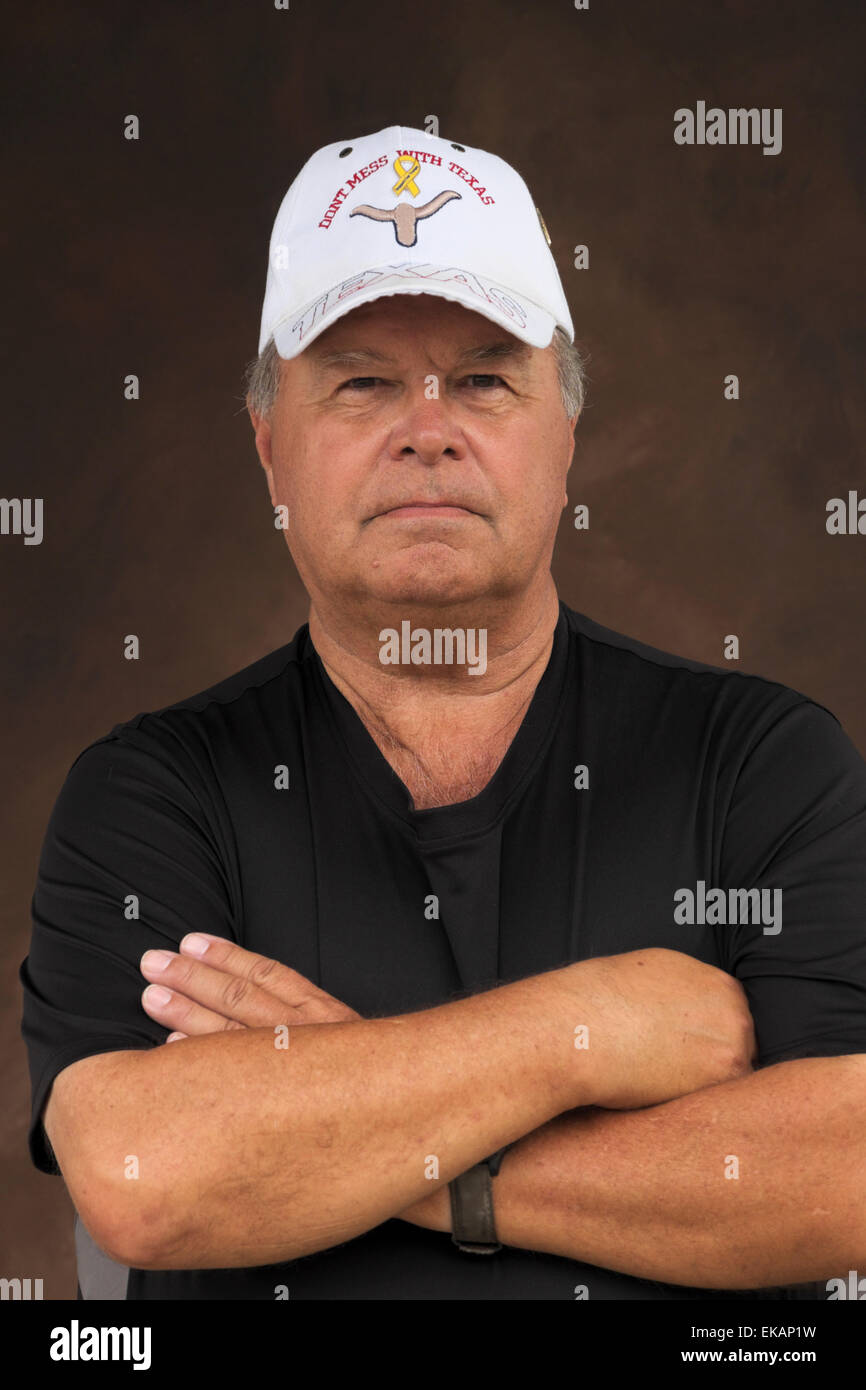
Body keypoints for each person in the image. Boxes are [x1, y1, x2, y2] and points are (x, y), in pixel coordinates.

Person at [20, 125, 866, 1301]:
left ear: (562, 435)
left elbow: (838, 1176)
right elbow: (140, 1169)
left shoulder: (760, 763)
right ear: (269, 448)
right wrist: (586, 1023)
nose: (428, 427)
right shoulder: (156, 792)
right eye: (362, 380)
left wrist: (345, 1123)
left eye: (481, 377)